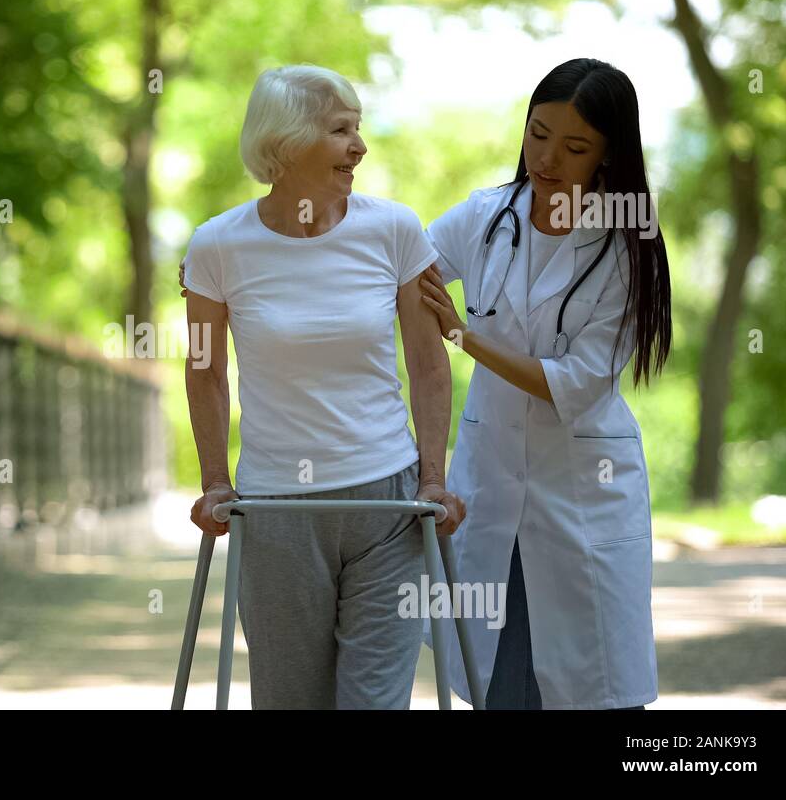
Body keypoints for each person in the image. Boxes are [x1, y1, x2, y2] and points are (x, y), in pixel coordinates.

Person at [182, 64, 465, 710]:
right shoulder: (217, 246)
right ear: (285, 142)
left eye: (359, 129)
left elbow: (428, 363)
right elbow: (204, 368)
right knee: (290, 700)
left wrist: (433, 479)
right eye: (341, 130)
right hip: (277, 509)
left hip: (388, 504)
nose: (360, 147)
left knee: (375, 700)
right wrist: (214, 481)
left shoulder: (395, 230)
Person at [415, 58, 672, 709]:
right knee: (498, 686)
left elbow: (574, 384)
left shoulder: (624, 246)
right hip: (492, 486)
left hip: (583, 497)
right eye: (538, 133)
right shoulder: (485, 216)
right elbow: (396, 269)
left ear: (609, 155)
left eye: (575, 146)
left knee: (594, 692)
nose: (548, 158)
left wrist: (464, 337)